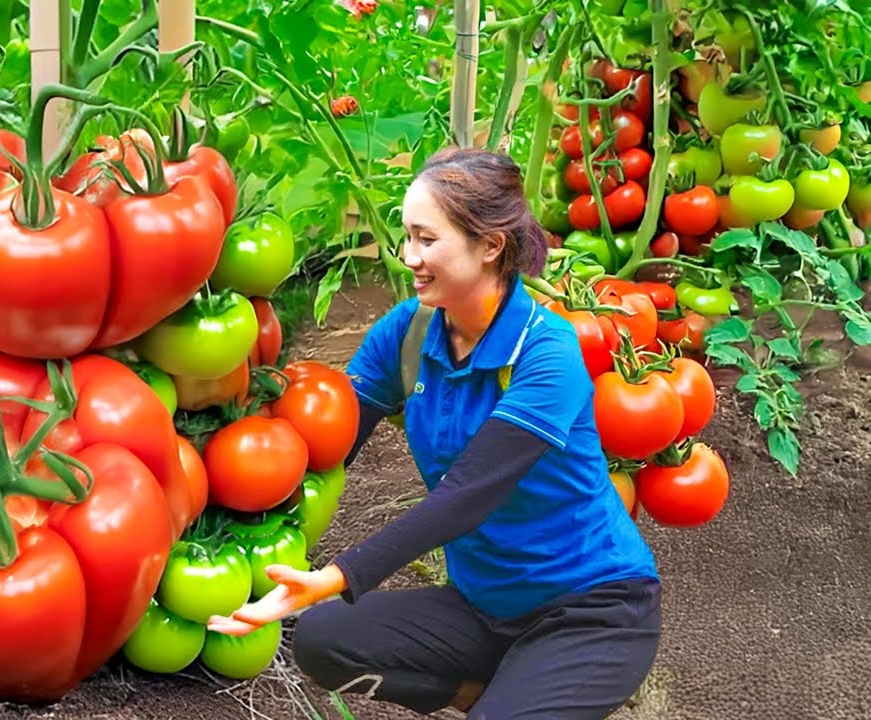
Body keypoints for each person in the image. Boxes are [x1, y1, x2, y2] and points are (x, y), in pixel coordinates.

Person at [207, 147, 661, 719]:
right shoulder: (408, 333)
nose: (408, 257)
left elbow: (466, 496)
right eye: (407, 237)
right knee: (324, 640)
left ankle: (543, 691)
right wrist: (227, 507)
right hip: (483, 609)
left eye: (426, 239)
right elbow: (329, 444)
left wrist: (338, 575)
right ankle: (501, 696)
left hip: (591, 610)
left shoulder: (546, 353)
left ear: (490, 245)